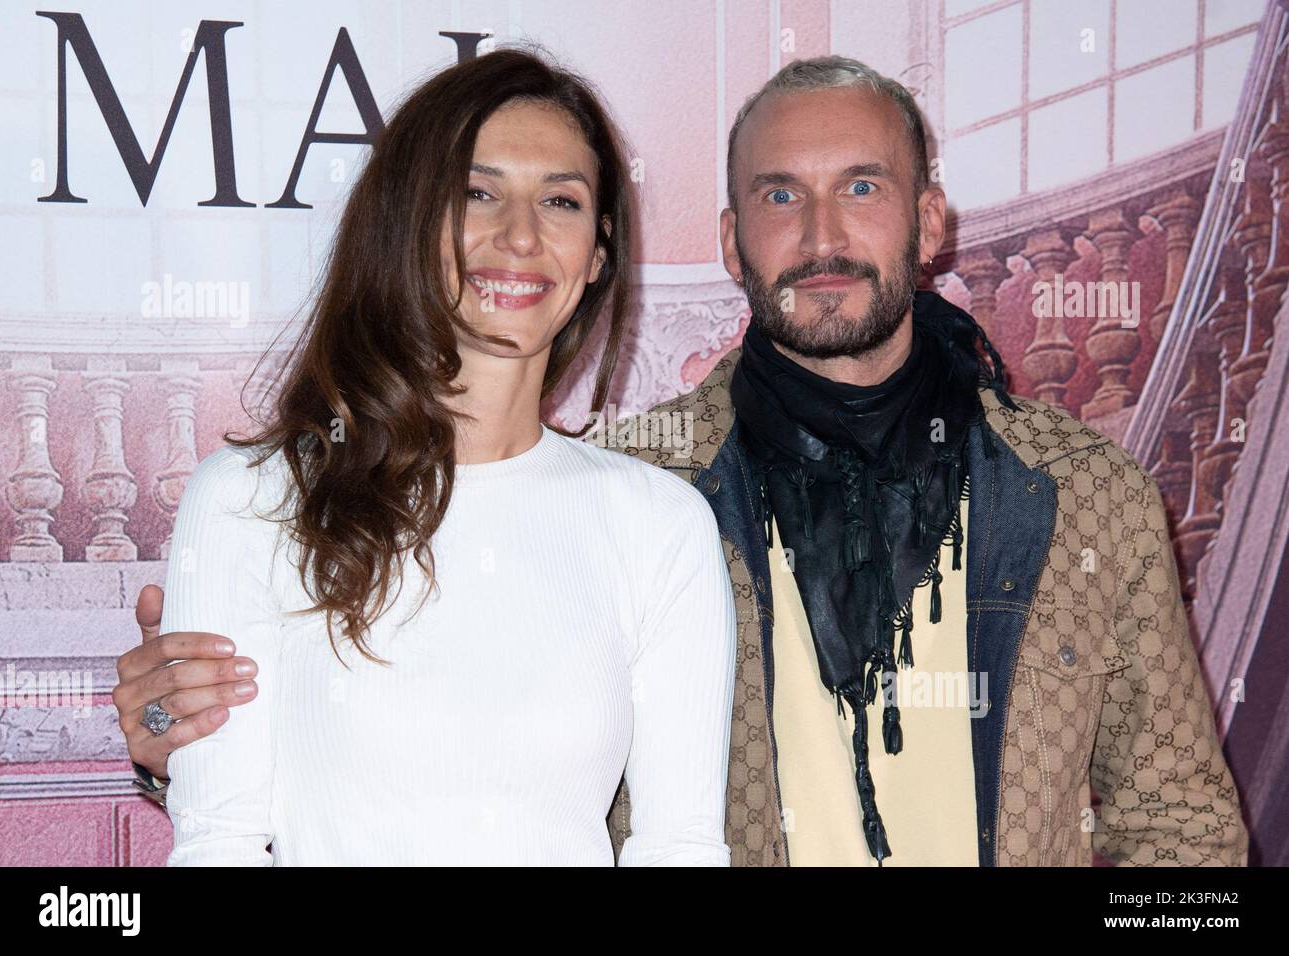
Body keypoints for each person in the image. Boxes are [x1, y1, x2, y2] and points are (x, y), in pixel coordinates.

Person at [120, 53, 1249, 868]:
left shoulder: (1090, 498)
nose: (820, 233)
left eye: (860, 185)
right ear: (724, 240)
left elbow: (1183, 836)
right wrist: (175, 743)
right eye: (777, 195)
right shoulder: (660, 487)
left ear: (930, 218)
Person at [125, 47, 737, 865]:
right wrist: (163, 733)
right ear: (408, 225)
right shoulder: (251, 499)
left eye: (561, 201)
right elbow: (219, 845)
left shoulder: (660, 524)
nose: (520, 236)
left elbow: (681, 848)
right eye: (477, 193)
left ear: (596, 255)